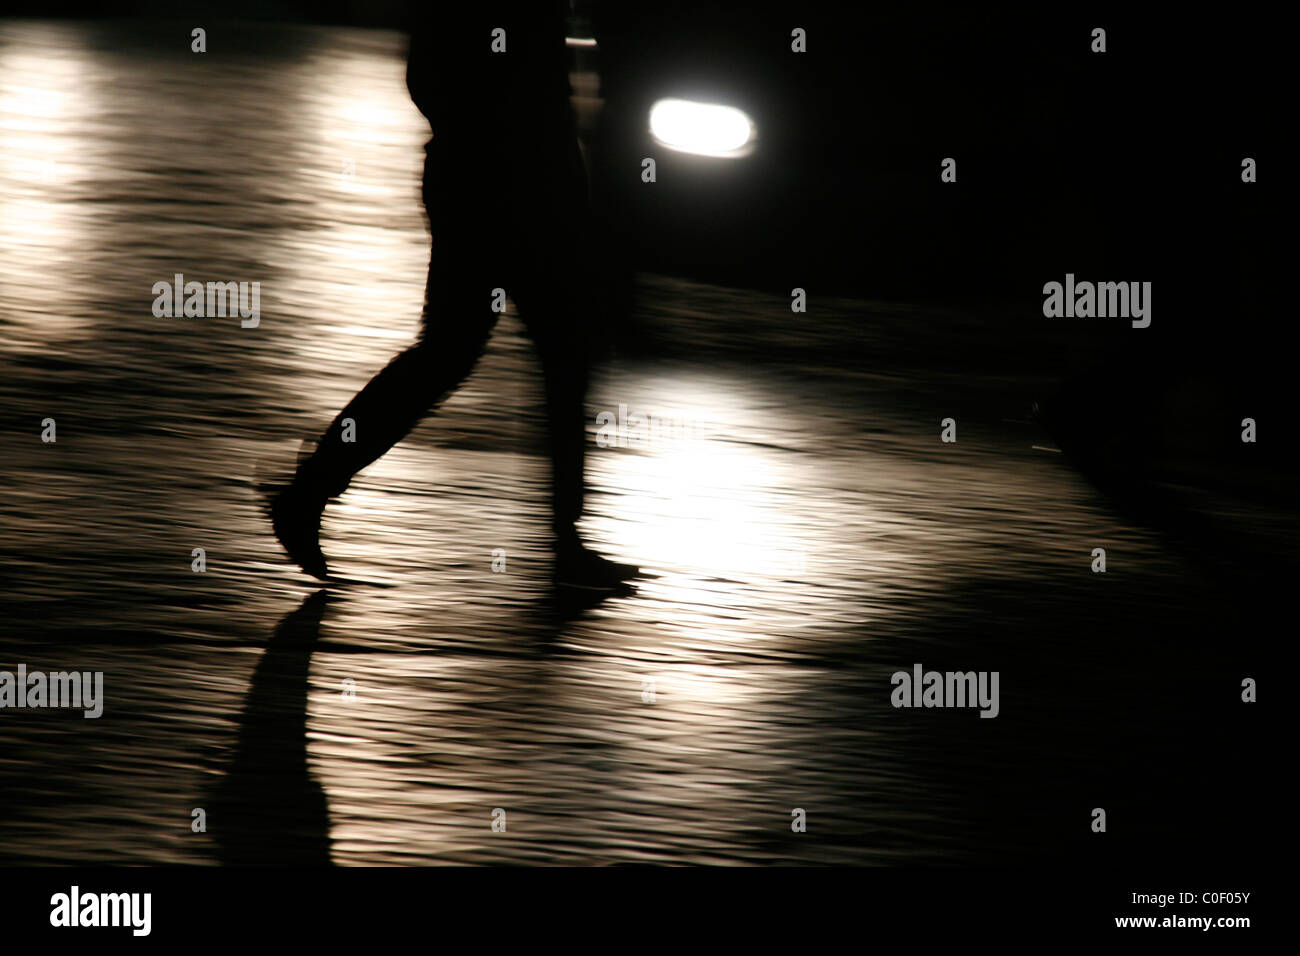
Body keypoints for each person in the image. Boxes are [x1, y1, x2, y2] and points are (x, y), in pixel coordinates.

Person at [268, 1, 637, 591]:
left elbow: (435, 76)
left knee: (463, 352)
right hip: (509, 188)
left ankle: (310, 490)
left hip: (504, 182)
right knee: (537, 353)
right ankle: (565, 543)